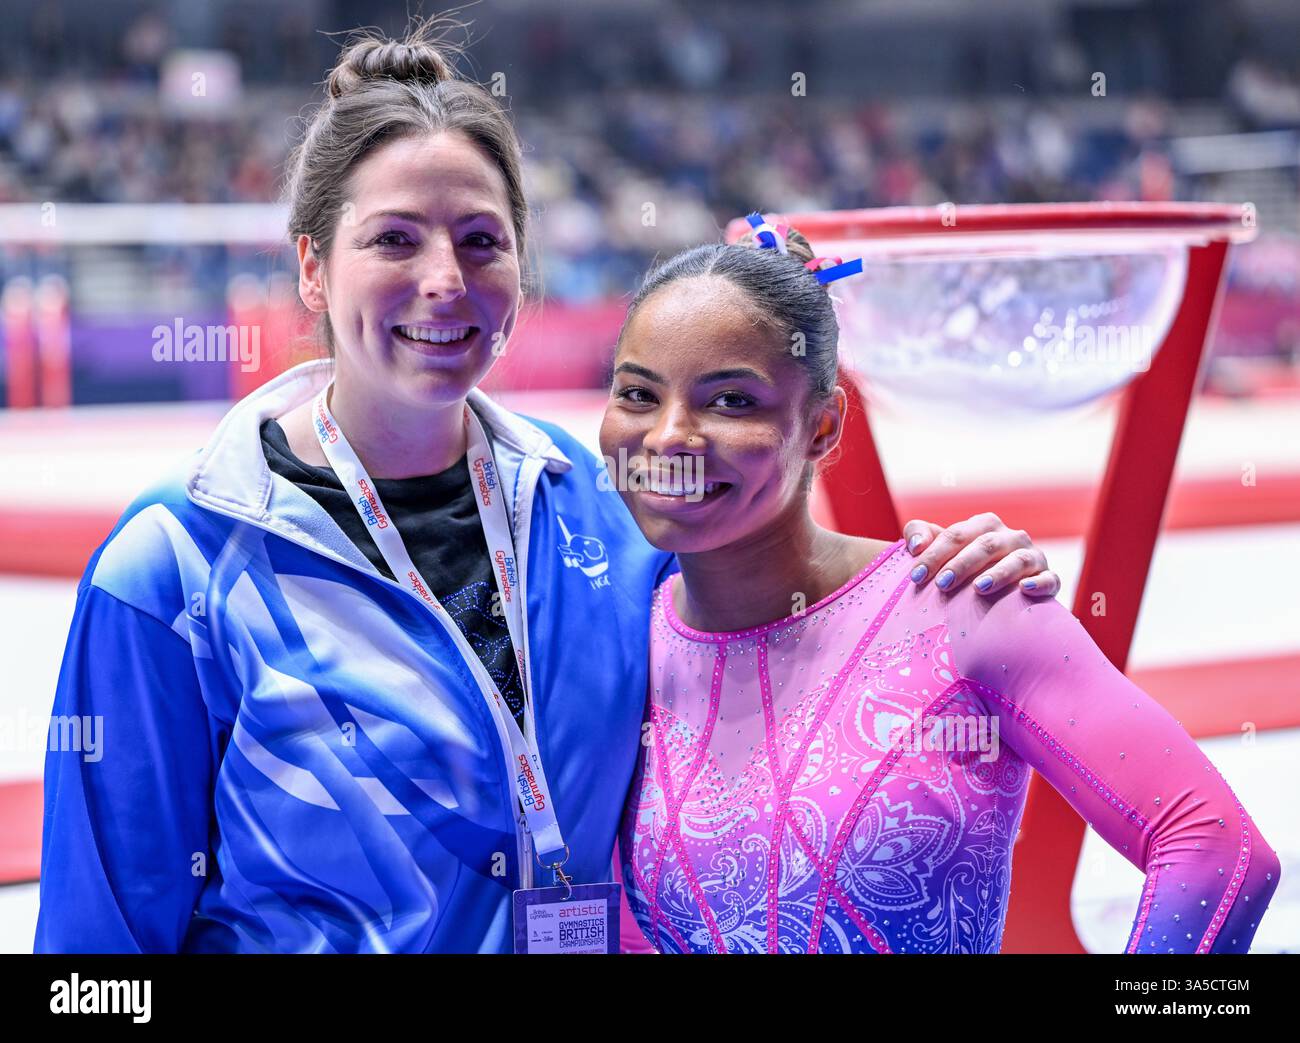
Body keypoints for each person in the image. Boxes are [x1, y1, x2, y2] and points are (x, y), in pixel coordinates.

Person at [34, 22, 1061, 955]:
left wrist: (936, 577)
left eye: (480, 240)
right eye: (394, 238)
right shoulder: (176, 564)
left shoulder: (608, 515)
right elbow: (96, 951)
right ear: (312, 268)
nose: (445, 277)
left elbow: (792, 626)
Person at [604, 223, 1282, 954]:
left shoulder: (964, 604)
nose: (669, 435)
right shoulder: (616, 639)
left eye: (731, 401)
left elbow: (1219, 850)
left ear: (824, 427)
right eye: (639, 393)